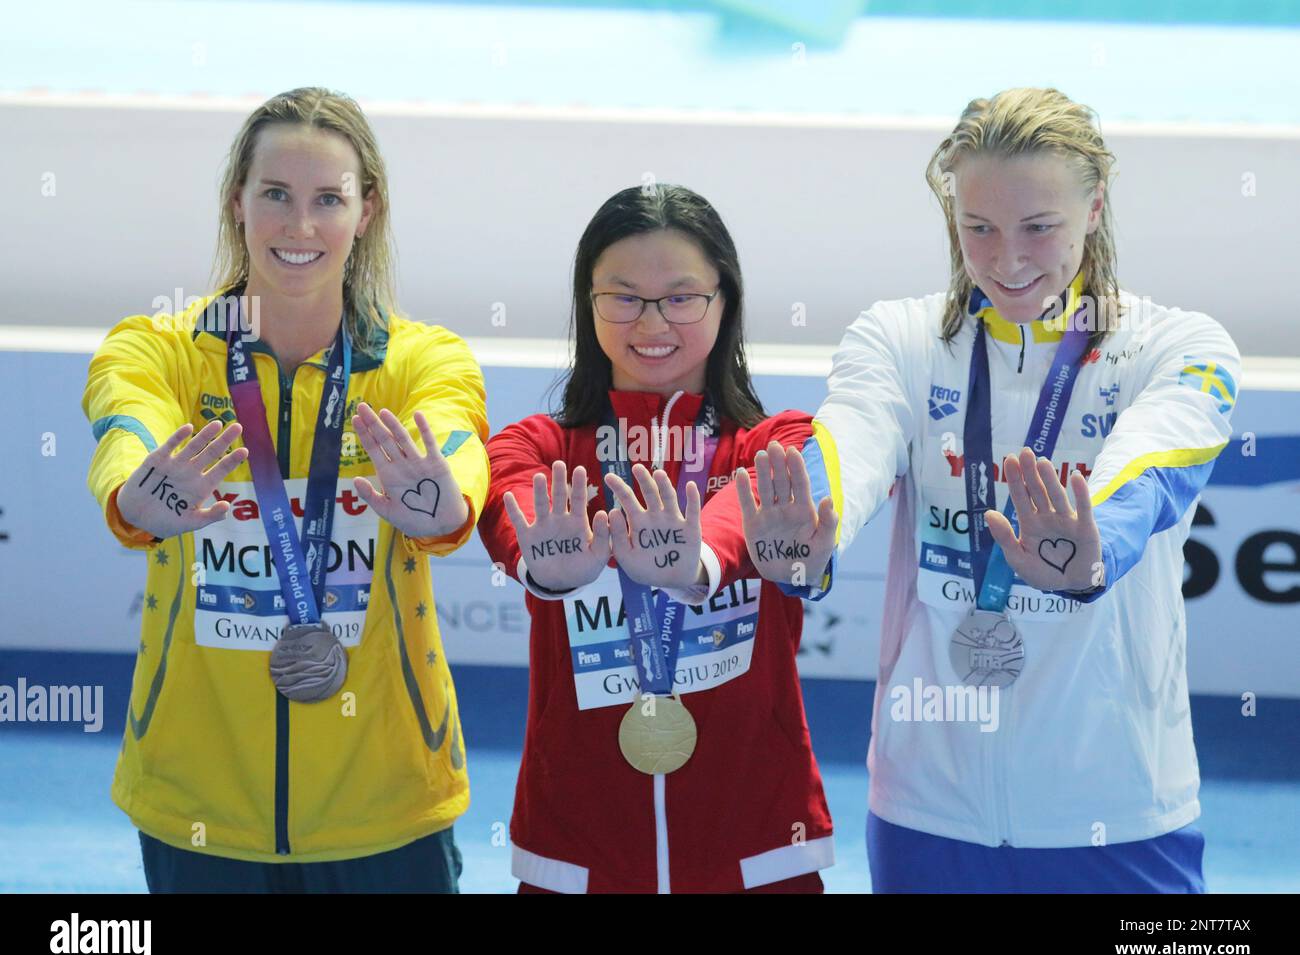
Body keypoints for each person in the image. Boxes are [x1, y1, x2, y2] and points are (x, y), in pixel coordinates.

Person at [738, 87, 1239, 893]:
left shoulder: (1177, 346)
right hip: (927, 812)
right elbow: (853, 434)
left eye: (1039, 227)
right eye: (979, 228)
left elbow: (1153, 467)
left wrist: (1094, 547)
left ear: (1095, 207)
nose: (1008, 258)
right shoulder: (899, 338)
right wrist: (817, 521)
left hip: (1120, 807)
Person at [81, 87, 489, 892]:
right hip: (198, 800)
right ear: (237, 201)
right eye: (276, 195)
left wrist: (450, 500)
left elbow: (454, 433)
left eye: (327, 200)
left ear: (366, 211)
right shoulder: (160, 348)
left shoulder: (420, 359)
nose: (300, 226)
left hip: (386, 801)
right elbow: (123, 415)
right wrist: (131, 493)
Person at [477, 183, 835, 893]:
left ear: (724, 300)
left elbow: (761, 494)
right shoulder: (536, 449)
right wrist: (546, 567)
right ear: (589, 303)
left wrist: (698, 557)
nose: (652, 321)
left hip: (763, 851)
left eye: (681, 297)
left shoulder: (779, 439)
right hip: (573, 858)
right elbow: (507, 506)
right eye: (624, 296)